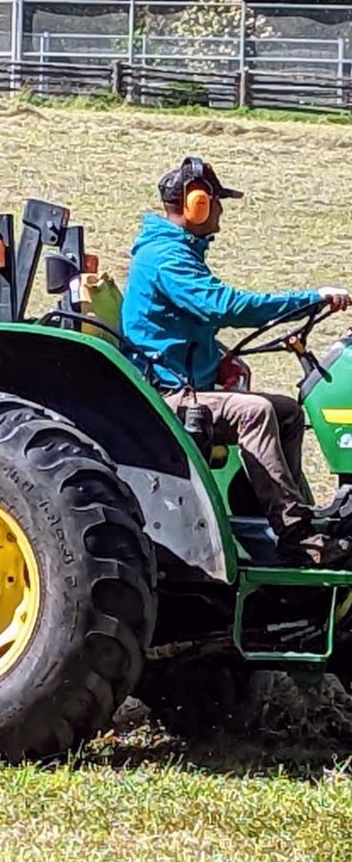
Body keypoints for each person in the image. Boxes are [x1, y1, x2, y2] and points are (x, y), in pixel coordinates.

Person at [121, 155, 352, 566]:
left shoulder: (177, 252)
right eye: (217, 201)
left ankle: (264, 512)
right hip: (165, 394)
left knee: (286, 412)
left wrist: (220, 357)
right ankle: (295, 534)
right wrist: (307, 299)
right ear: (196, 204)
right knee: (256, 412)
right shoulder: (166, 257)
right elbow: (222, 306)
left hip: (185, 381)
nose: (222, 211)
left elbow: (182, 327)